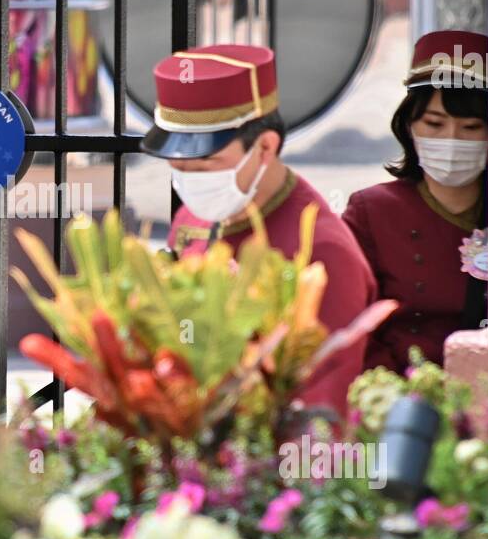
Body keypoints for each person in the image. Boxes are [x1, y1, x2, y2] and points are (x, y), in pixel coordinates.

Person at [140, 43, 377, 418]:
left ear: (265, 147)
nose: (189, 180)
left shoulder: (322, 252)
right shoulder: (192, 221)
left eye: (205, 165)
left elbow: (321, 409)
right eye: (178, 166)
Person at [342, 29, 488, 374]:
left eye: (470, 127)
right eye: (435, 124)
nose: (451, 140)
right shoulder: (372, 212)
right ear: (409, 126)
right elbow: (349, 322)